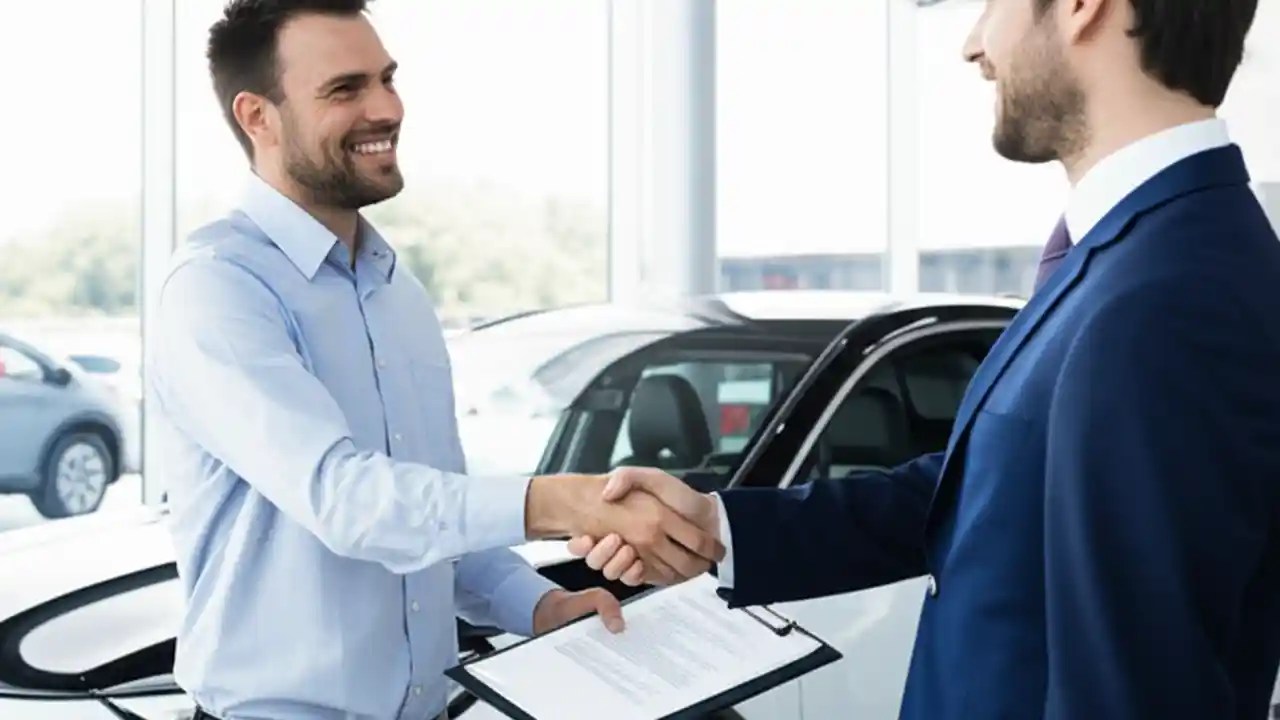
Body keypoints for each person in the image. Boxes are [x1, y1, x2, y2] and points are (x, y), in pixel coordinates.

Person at [571, 0, 1280, 717]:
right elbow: (984, 496)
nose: (974, 45)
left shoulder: (1170, 295)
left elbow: (1137, 692)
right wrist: (719, 528)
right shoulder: (1137, 257)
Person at [146, 2, 722, 719]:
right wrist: (569, 500)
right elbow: (348, 502)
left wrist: (540, 605)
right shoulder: (215, 286)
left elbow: (433, 513)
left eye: (387, 80)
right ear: (258, 117)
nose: (386, 108)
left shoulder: (397, 293)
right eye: (345, 89)